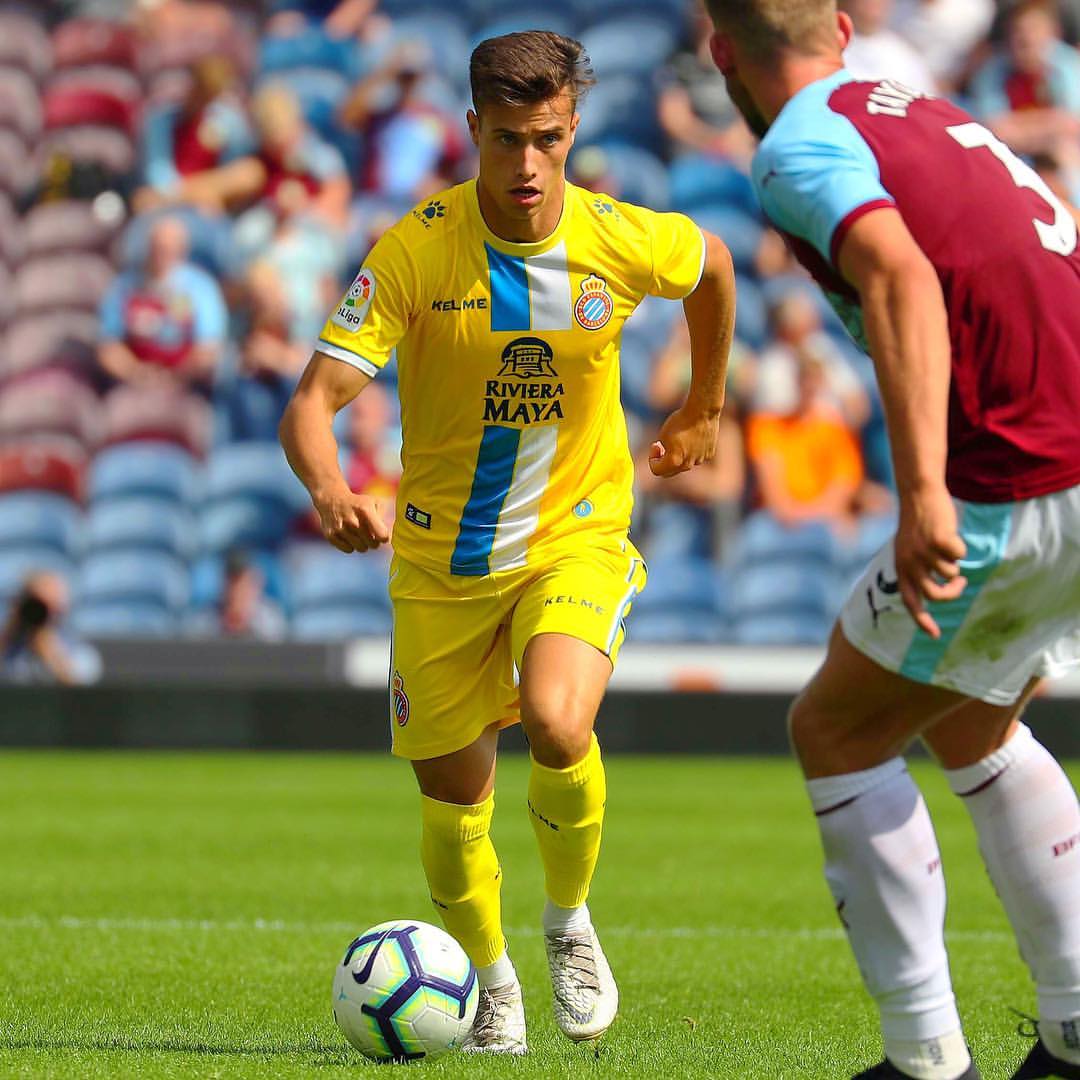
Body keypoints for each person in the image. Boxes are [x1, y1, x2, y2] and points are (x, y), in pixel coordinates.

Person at [280, 30, 735, 1055]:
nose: (528, 166)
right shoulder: (416, 251)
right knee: (454, 804)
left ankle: (568, 924)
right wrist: (330, 487)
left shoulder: (617, 238)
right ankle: (493, 984)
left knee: (562, 723)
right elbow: (314, 400)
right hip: (441, 568)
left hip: (574, 538)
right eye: (506, 140)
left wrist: (705, 406)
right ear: (473, 127)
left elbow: (713, 267)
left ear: (571, 129)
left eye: (549, 140)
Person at [702, 1, 1080, 1078]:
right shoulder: (923, 109)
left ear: (723, 53)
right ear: (842, 25)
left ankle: (926, 1064)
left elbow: (902, 277)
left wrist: (924, 492)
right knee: (969, 720)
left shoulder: (799, 141)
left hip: (1020, 467)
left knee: (836, 730)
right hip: (1074, 446)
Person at [1, 573, 101, 685]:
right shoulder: (9, 647)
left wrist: (49, 650)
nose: (38, 612)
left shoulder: (79, 651)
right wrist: (10, 629)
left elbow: (80, 690)